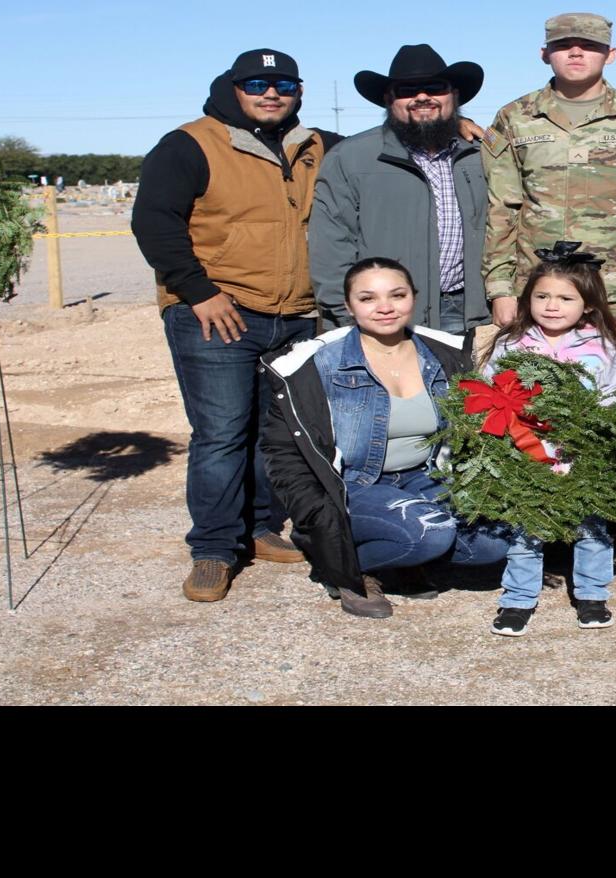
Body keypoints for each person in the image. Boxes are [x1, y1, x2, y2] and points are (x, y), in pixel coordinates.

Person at [132, 48, 328, 602]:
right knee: (221, 434)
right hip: (218, 312)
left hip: (295, 315)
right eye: (257, 83)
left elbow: (380, 148)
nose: (271, 92)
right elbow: (153, 221)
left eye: (283, 83)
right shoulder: (190, 144)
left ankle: (260, 529)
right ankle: (215, 549)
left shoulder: (314, 145)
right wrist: (198, 292)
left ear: (299, 90)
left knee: (276, 433)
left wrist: (455, 122)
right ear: (234, 87)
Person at [260, 257, 510, 618]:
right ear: (348, 306)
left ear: (414, 298)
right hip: (353, 484)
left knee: (493, 542)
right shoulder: (314, 365)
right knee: (431, 533)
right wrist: (316, 519)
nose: (385, 308)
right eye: (368, 298)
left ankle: (404, 551)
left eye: (397, 295)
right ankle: (347, 566)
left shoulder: (445, 354)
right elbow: (283, 453)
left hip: (425, 475)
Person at [483, 12, 616, 343]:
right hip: (540, 289)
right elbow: (502, 209)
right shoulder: (515, 118)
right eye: (563, 45)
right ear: (545, 54)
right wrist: (500, 288)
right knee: (536, 385)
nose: (576, 53)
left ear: (610, 55)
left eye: (589, 45)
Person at [480, 242, 616, 636]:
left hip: (584, 456)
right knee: (526, 527)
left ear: (588, 304)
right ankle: (517, 600)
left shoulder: (604, 347)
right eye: (542, 296)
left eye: (566, 298)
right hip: (527, 454)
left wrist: (595, 432)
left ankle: (592, 596)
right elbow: (489, 393)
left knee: (592, 527)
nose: (552, 305)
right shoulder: (510, 344)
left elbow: (615, 394)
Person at [310, 44, 491, 335]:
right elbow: (331, 247)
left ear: (453, 96)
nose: (421, 97)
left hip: (472, 313)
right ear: (388, 99)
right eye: (406, 90)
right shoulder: (350, 158)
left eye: (435, 87)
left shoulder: (483, 154)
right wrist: (348, 320)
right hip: (385, 318)